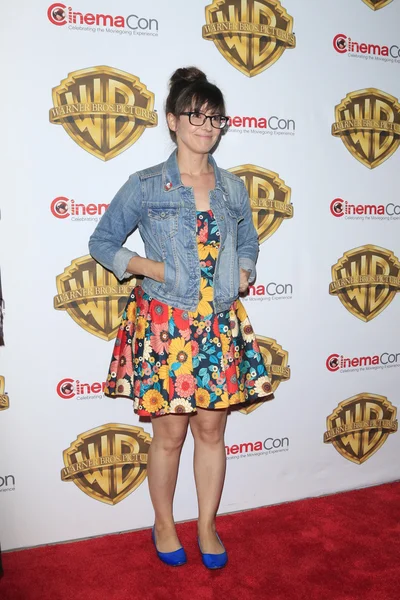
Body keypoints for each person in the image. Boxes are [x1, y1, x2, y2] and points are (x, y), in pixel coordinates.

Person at [89, 67, 273, 569]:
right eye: (195, 115)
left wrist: (245, 268)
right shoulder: (146, 185)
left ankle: (207, 525)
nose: (206, 126)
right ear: (172, 120)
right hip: (165, 324)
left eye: (215, 118)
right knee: (169, 436)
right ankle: (164, 523)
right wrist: (151, 268)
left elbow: (249, 240)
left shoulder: (232, 187)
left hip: (218, 325)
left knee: (211, 432)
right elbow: (102, 242)